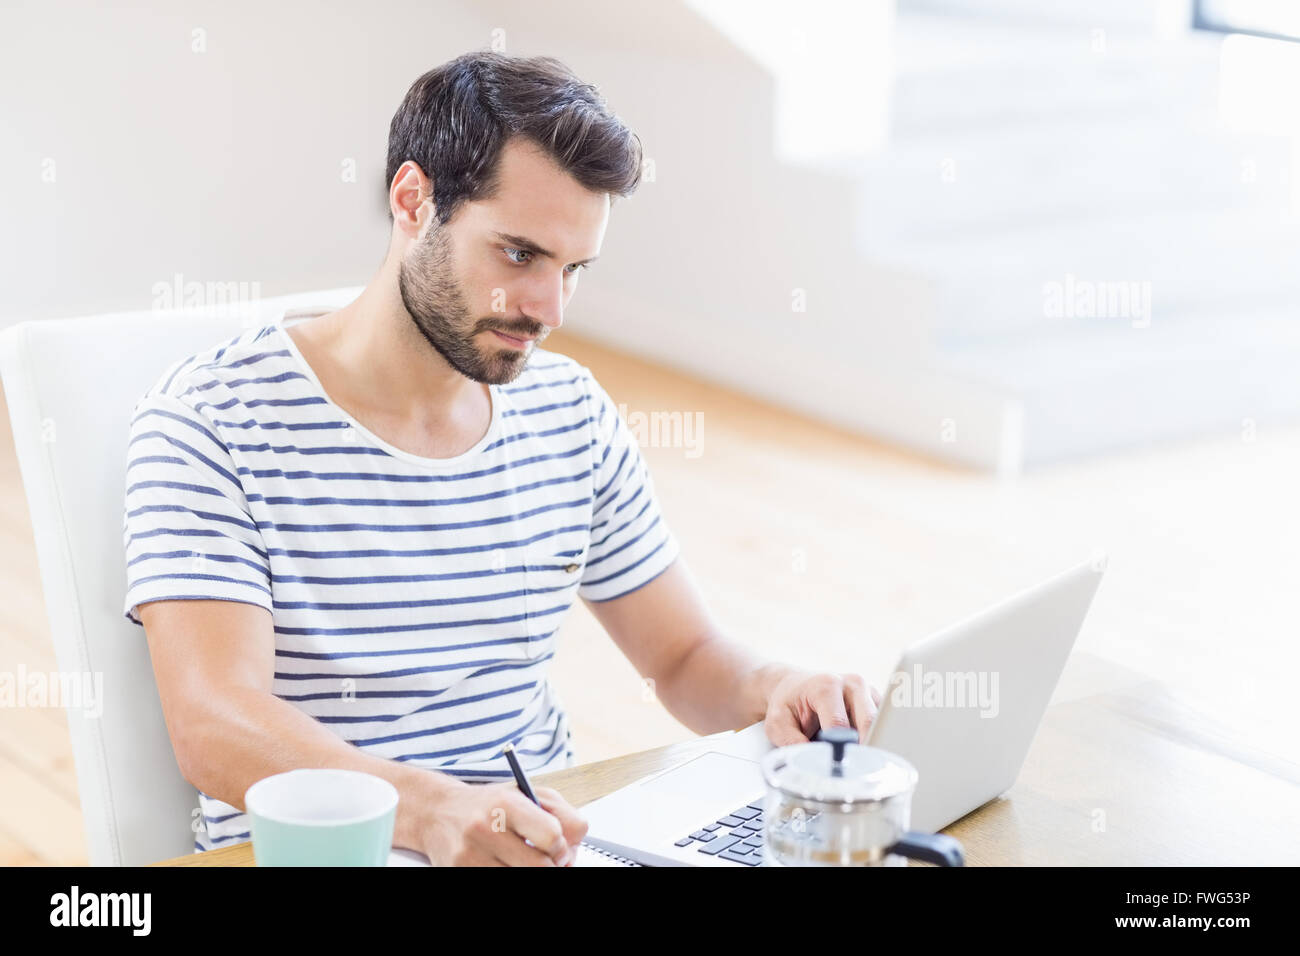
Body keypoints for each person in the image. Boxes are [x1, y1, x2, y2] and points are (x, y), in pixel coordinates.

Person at [123, 51, 881, 867]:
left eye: (573, 269)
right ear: (413, 201)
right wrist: (430, 810)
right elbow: (214, 721)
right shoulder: (212, 421)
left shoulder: (569, 411)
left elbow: (681, 658)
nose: (548, 309)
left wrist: (775, 689)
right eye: (519, 255)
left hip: (545, 842)